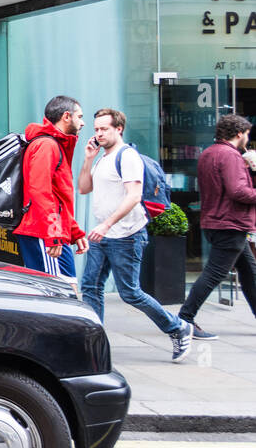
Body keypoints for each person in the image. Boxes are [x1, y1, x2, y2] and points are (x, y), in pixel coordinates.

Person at [77, 108, 192, 362]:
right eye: (96, 129)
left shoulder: (127, 157)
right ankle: (95, 345)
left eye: (104, 128)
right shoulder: (101, 157)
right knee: (90, 287)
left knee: (130, 292)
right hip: (103, 235)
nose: (99, 133)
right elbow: (84, 188)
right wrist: (87, 159)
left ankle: (178, 327)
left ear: (119, 129)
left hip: (127, 235)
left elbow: (134, 196)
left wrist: (106, 225)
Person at [176, 113, 256, 338]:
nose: (247, 139)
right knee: (214, 273)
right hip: (230, 223)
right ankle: (185, 319)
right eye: (247, 134)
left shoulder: (209, 153)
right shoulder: (230, 156)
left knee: (250, 272)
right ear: (239, 133)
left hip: (217, 220)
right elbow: (238, 191)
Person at [13, 94, 89, 277]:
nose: (83, 123)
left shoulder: (53, 144)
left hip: (50, 231)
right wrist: (53, 234)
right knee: (56, 293)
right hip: (43, 232)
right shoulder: (47, 145)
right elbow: (40, 192)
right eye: (79, 116)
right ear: (66, 117)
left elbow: (58, 197)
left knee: (65, 289)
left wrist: (74, 232)